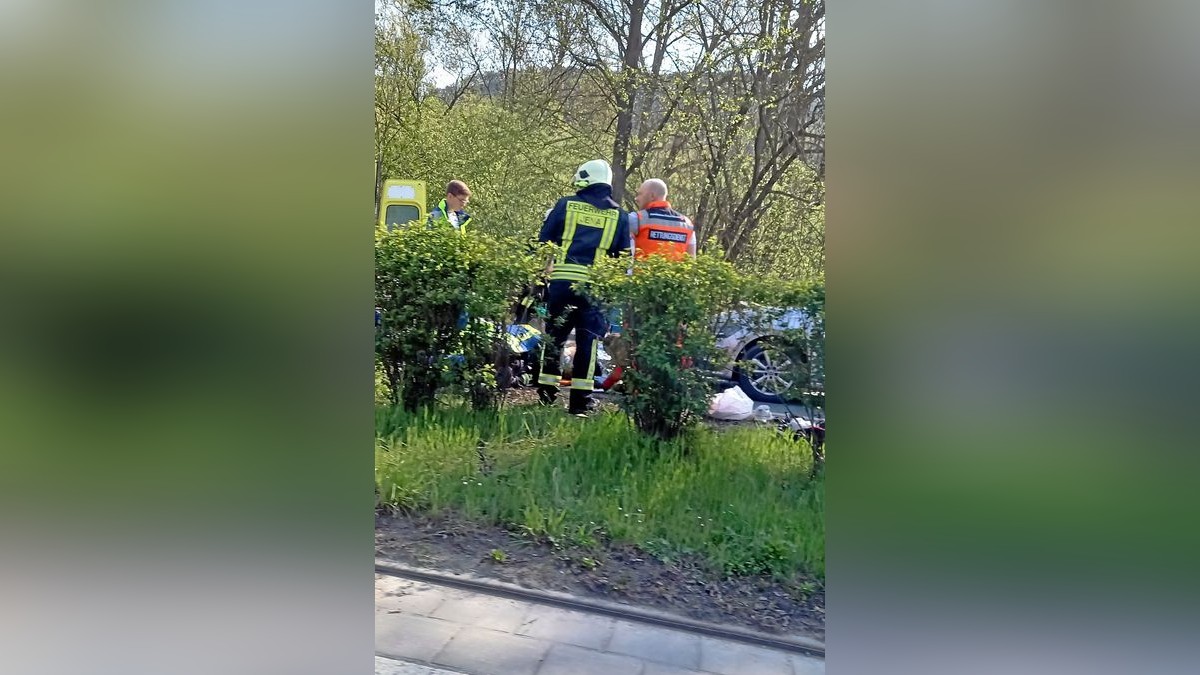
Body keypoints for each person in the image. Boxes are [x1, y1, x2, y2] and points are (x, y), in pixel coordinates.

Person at [536, 159, 631, 415]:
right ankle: (580, 403)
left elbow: (544, 240)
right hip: (594, 290)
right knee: (588, 344)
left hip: (562, 285)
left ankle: (546, 394)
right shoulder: (619, 216)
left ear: (585, 179)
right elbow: (622, 259)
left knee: (554, 338)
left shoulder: (565, 205)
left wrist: (539, 275)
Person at [628, 178, 696, 260]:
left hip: (644, 272)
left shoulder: (638, 218)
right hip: (674, 272)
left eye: (640, 194)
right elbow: (691, 260)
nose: (636, 198)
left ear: (652, 196)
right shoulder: (687, 223)